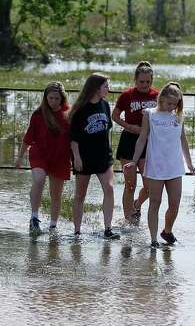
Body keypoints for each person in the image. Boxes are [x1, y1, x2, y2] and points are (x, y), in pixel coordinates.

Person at [126, 82, 195, 247]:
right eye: (169, 103)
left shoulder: (178, 116)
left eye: (175, 104)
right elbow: (142, 138)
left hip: (174, 167)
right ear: (161, 99)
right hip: (155, 167)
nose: (171, 106)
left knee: (174, 203)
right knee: (155, 202)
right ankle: (153, 240)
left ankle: (167, 231)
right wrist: (134, 161)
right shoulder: (150, 114)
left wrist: (189, 163)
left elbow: (183, 139)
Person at [69, 72, 120, 239]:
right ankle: (77, 231)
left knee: (110, 189)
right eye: (105, 86)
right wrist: (76, 158)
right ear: (96, 88)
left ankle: (107, 229)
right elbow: (74, 138)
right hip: (84, 157)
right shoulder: (80, 109)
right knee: (80, 195)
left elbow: (107, 129)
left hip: (104, 155)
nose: (108, 89)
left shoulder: (105, 105)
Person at [16, 81, 71, 234]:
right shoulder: (38, 114)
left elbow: (74, 140)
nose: (53, 101)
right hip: (40, 154)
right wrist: (20, 157)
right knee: (39, 180)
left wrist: (78, 158)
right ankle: (34, 218)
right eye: (50, 98)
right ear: (45, 97)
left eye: (56, 99)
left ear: (62, 99)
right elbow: (28, 138)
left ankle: (53, 226)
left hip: (60, 157)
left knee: (56, 194)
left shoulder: (69, 114)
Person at [112, 61, 159, 222]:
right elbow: (115, 116)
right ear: (135, 79)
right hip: (129, 142)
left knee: (149, 187)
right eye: (141, 82)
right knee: (130, 184)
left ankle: (137, 205)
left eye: (148, 82)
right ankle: (128, 219)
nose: (145, 85)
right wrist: (128, 126)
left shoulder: (157, 96)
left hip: (148, 143)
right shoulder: (126, 96)